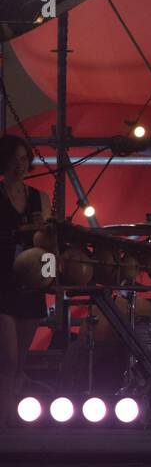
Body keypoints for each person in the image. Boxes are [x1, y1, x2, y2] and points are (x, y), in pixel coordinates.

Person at [0, 135, 51, 424]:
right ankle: (4, 423)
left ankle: (10, 414)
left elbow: (47, 241)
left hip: (30, 283)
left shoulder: (39, 197)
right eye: (14, 159)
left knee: (18, 361)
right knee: (6, 358)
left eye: (23, 159)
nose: (20, 165)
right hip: (2, 280)